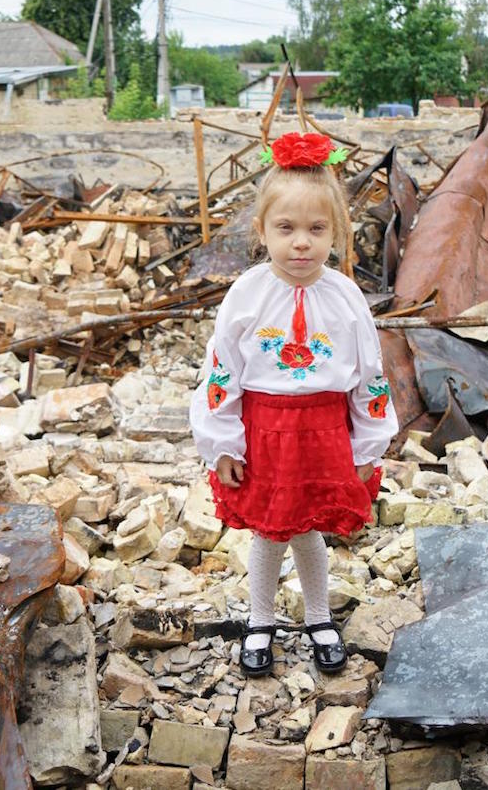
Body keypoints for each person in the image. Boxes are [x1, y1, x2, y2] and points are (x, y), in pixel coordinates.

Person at [189, 131, 399, 677]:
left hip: (325, 431)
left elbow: (369, 375)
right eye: (286, 228)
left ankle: (319, 617)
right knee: (270, 530)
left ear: (337, 232)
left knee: (308, 529)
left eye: (316, 229)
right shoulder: (247, 294)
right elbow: (222, 370)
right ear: (262, 230)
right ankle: (260, 620)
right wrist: (223, 444)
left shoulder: (345, 297)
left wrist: (368, 445)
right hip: (265, 430)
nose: (301, 243)